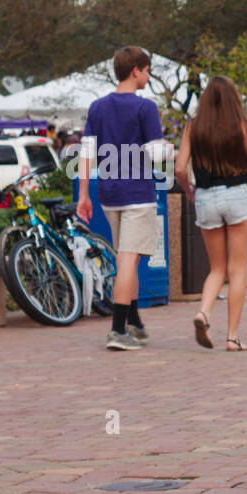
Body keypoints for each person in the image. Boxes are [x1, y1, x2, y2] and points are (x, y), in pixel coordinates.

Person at [76, 46, 165, 351]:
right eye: (147, 69)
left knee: (125, 257)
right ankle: (117, 330)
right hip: (138, 193)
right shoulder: (146, 108)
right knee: (128, 261)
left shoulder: (97, 107)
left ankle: (135, 322)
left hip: (109, 194)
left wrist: (84, 194)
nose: (149, 75)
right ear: (136, 70)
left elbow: (86, 152)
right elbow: (156, 156)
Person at [173, 74, 247, 352]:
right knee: (237, 270)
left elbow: (179, 168)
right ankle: (232, 337)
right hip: (236, 194)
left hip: (206, 196)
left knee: (216, 269)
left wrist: (188, 190)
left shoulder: (193, 127)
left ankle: (204, 313)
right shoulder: (240, 125)